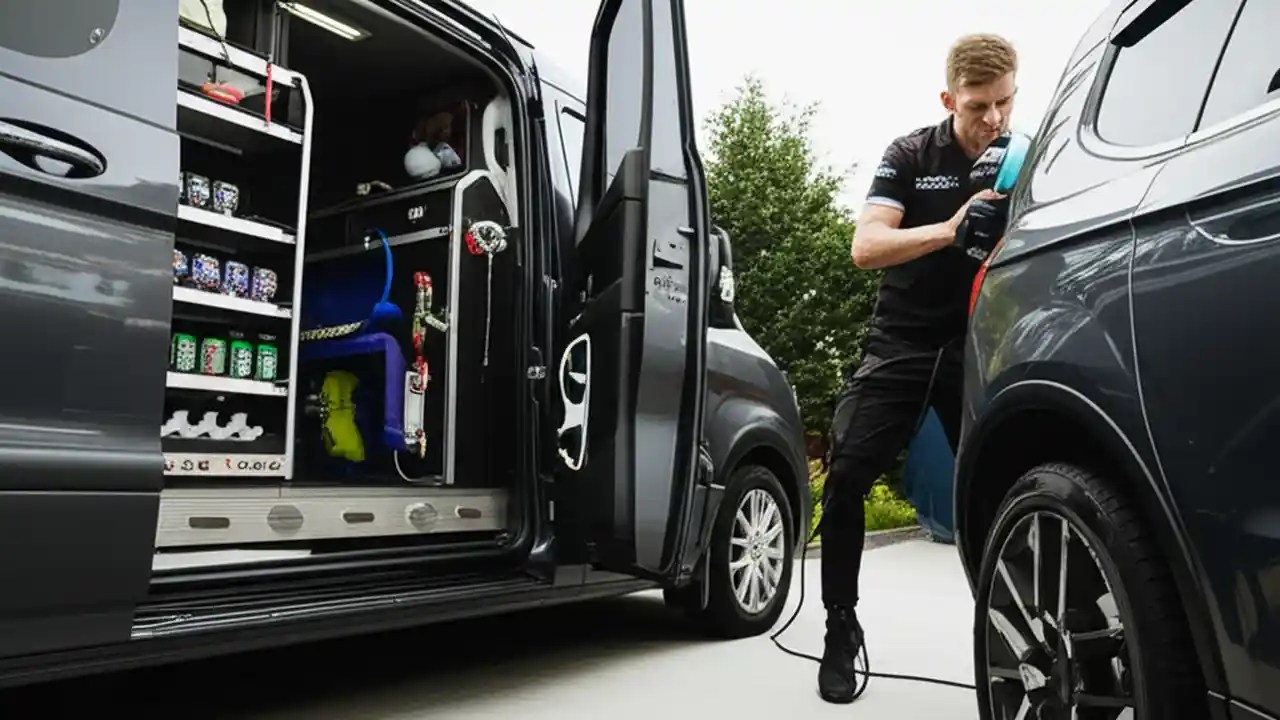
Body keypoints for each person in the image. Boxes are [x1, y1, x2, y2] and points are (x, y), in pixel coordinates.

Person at [817, 32, 1018, 704]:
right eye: (979, 106)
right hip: (900, 342)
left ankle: (1017, 638)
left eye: (1004, 103)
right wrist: (950, 228)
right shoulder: (909, 154)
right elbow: (866, 246)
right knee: (845, 478)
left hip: (977, 344)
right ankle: (839, 629)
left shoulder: (1021, 156)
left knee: (1003, 492)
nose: (993, 118)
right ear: (948, 99)